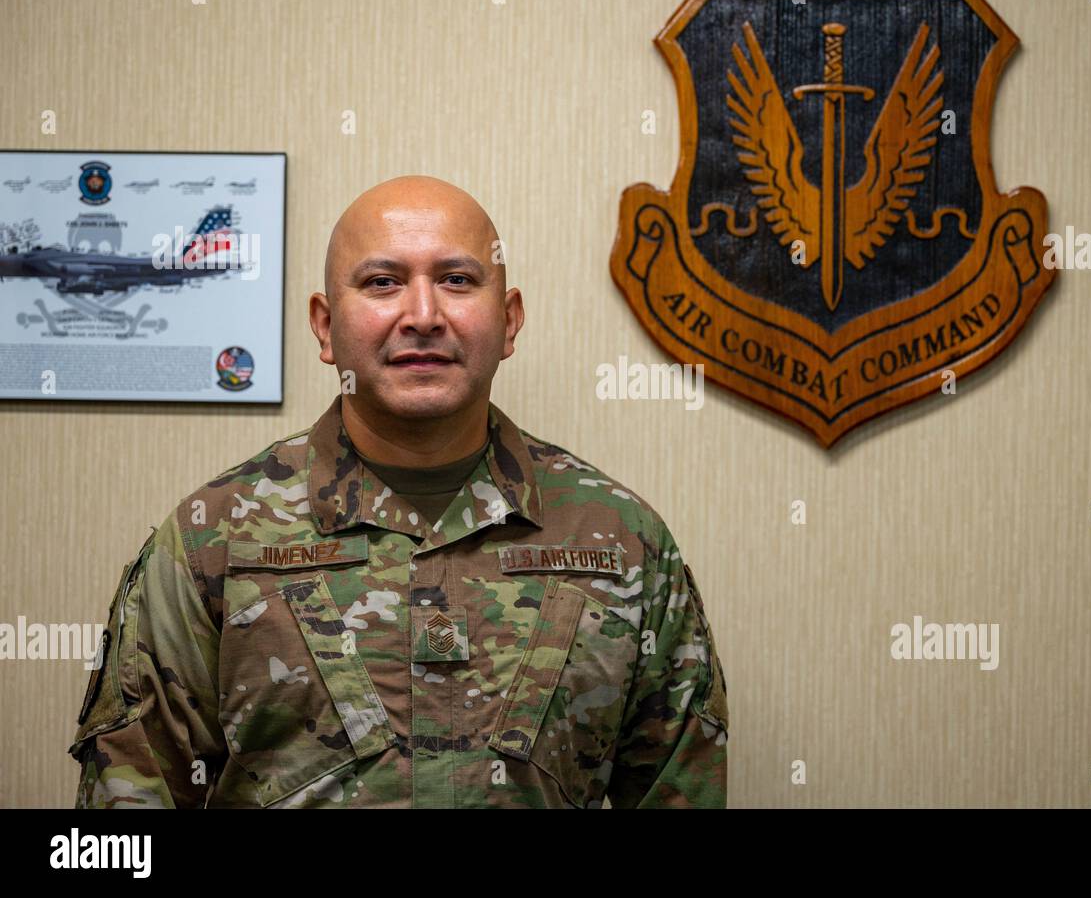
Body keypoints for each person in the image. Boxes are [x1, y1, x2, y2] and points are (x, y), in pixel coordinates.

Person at [69, 176, 728, 808]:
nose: (422, 315)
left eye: (458, 281)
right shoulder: (213, 538)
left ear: (510, 319)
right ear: (326, 328)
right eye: (382, 283)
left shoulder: (619, 540)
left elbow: (680, 790)